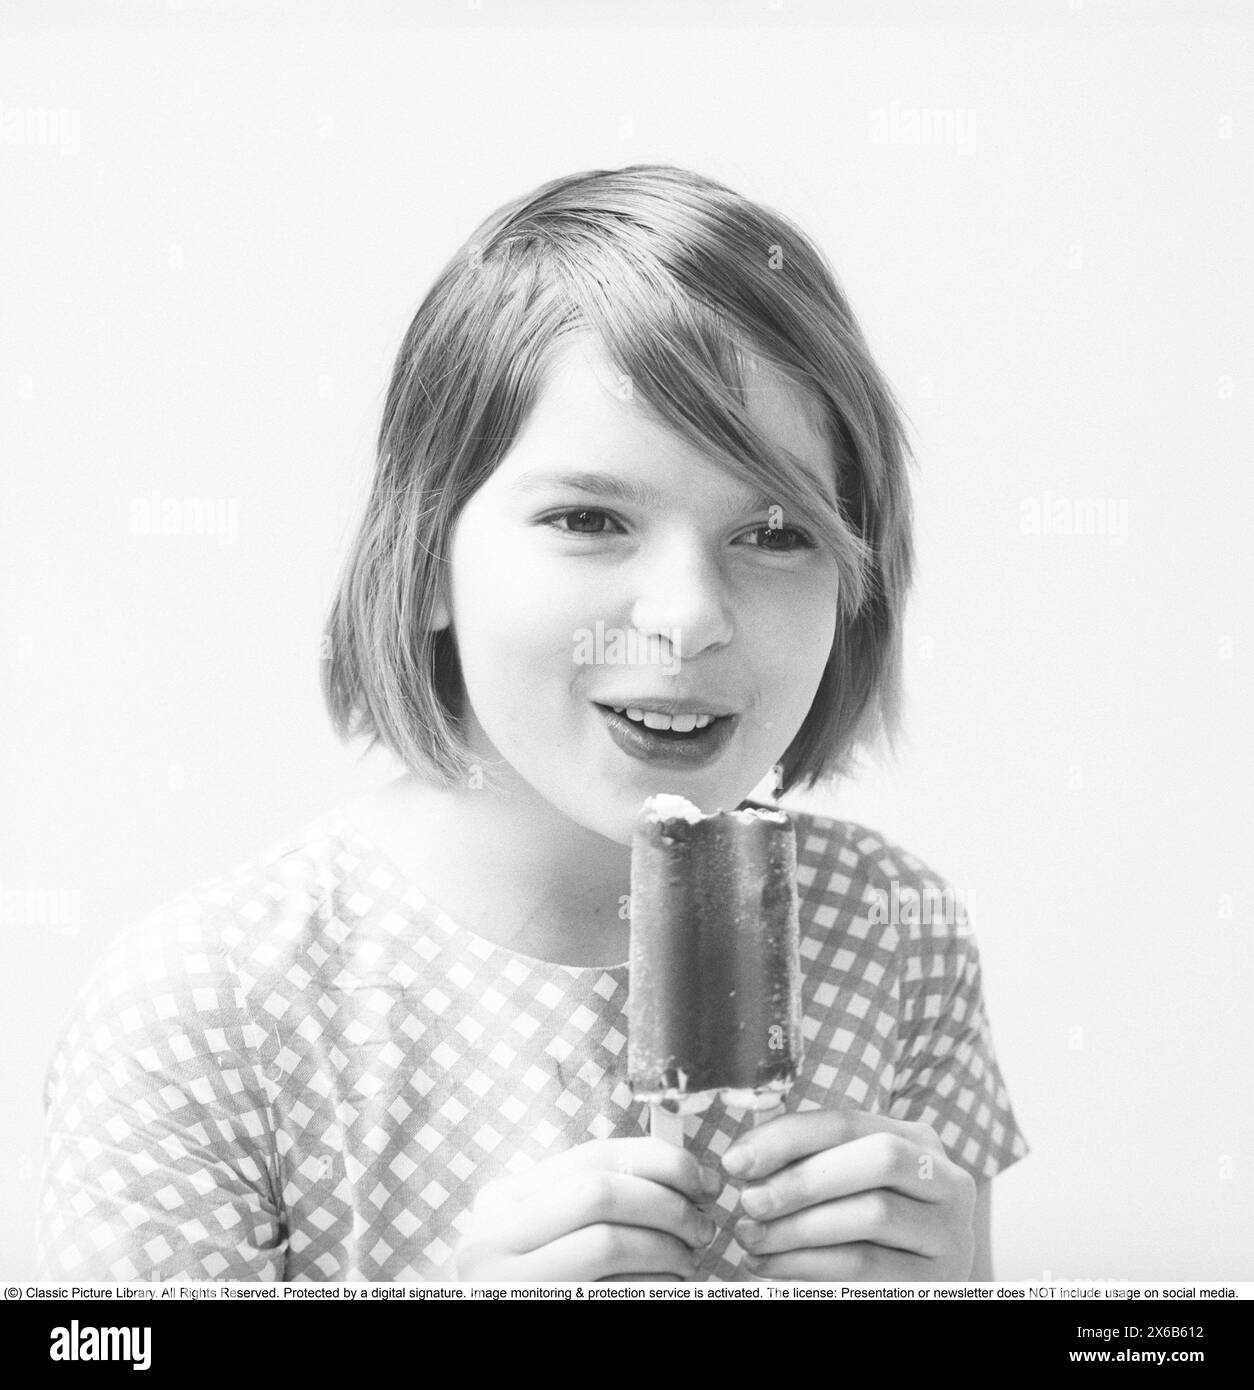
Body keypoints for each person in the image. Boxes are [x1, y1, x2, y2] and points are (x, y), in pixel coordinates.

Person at [36, 164, 1028, 1283]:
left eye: (776, 531)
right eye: (590, 517)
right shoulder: (205, 1015)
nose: (690, 615)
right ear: (424, 562)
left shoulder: (896, 936)